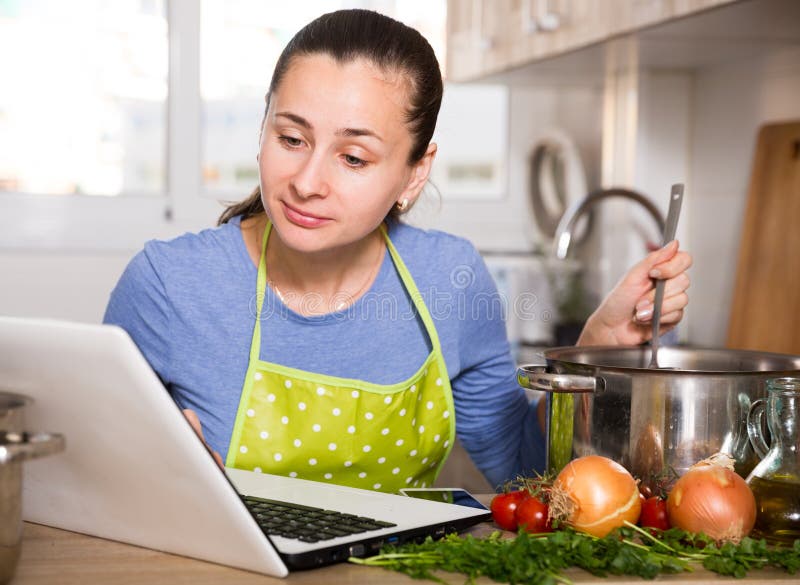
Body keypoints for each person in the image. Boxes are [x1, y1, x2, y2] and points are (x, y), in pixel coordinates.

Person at [104, 9, 692, 492]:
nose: (307, 181)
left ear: (415, 173)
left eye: (353, 158)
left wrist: (594, 348)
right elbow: (90, 478)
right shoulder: (167, 284)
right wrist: (148, 475)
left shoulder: (448, 278)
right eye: (290, 138)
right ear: (263, 129)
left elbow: (529, 473)